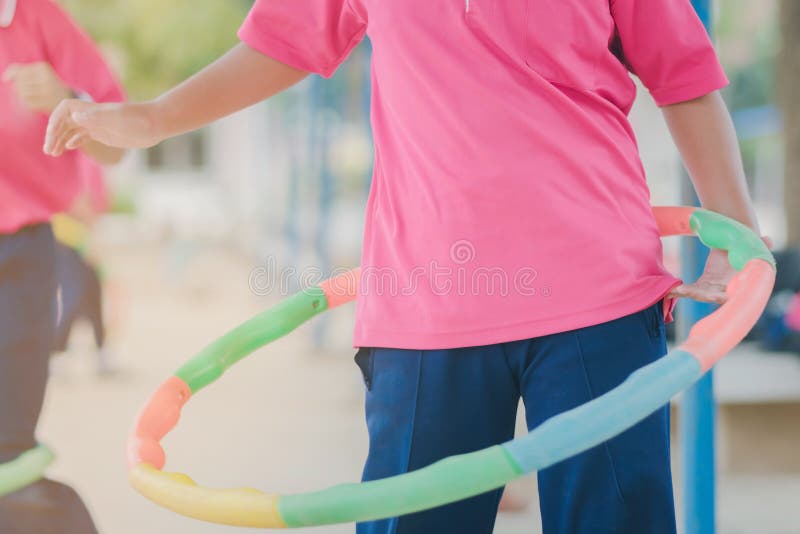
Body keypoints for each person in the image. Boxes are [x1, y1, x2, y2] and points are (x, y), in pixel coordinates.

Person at [44, 1, 763, 532]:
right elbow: (283, 43)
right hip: (428, 307)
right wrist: (153, 118)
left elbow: (686, 79)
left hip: (597, 289)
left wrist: (735, 232)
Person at [0, 0, 124, 531]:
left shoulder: (34, 18)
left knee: (8, 450)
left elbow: (119, 141)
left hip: (18, 257)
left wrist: (68, 101)